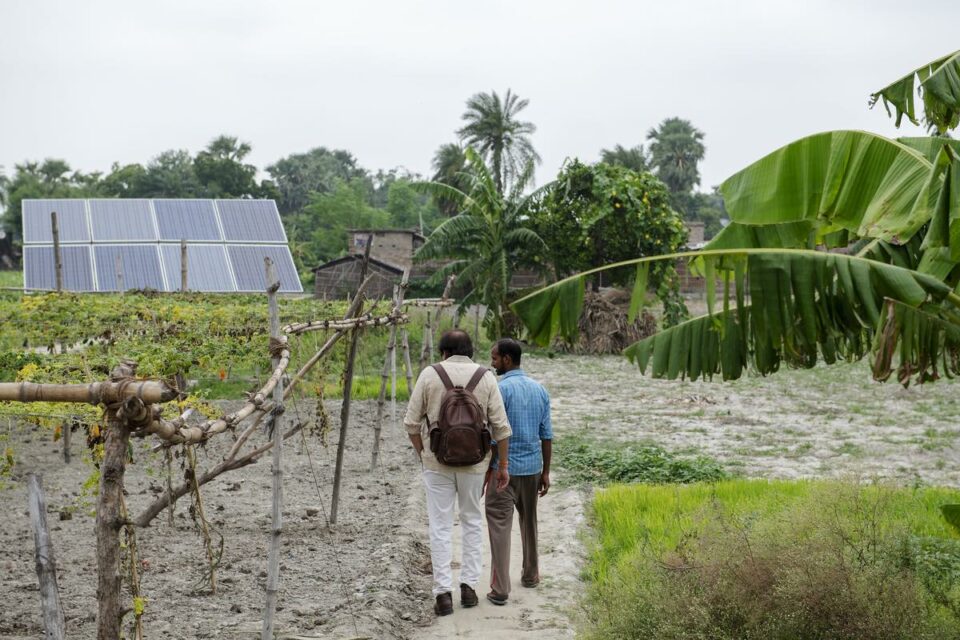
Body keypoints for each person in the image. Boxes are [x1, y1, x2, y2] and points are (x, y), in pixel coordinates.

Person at [403, 329, 512, 617]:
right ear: (470, 351)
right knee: (472, 521)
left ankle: (442, 594)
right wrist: (502, 466)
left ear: (444, 352)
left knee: (439, 526)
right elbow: (501, 428)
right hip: (475, 464)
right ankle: (468, 588)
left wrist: (424, 454)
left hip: (437, 463)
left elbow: (411, 423)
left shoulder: (429, 375)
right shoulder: (485, 377)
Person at [484, 338, 552, 606]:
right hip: (533, 468)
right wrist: (546, 472)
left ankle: (500, 589)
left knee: (500, 527)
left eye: (495, 358)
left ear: (507, 360)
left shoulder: (501, 391)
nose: (492, 363)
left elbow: (494, 436)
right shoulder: (540, 390)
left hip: (505, 470)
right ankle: (531, 574)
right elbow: (546, 435)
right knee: (529, 521)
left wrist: (488, 471)